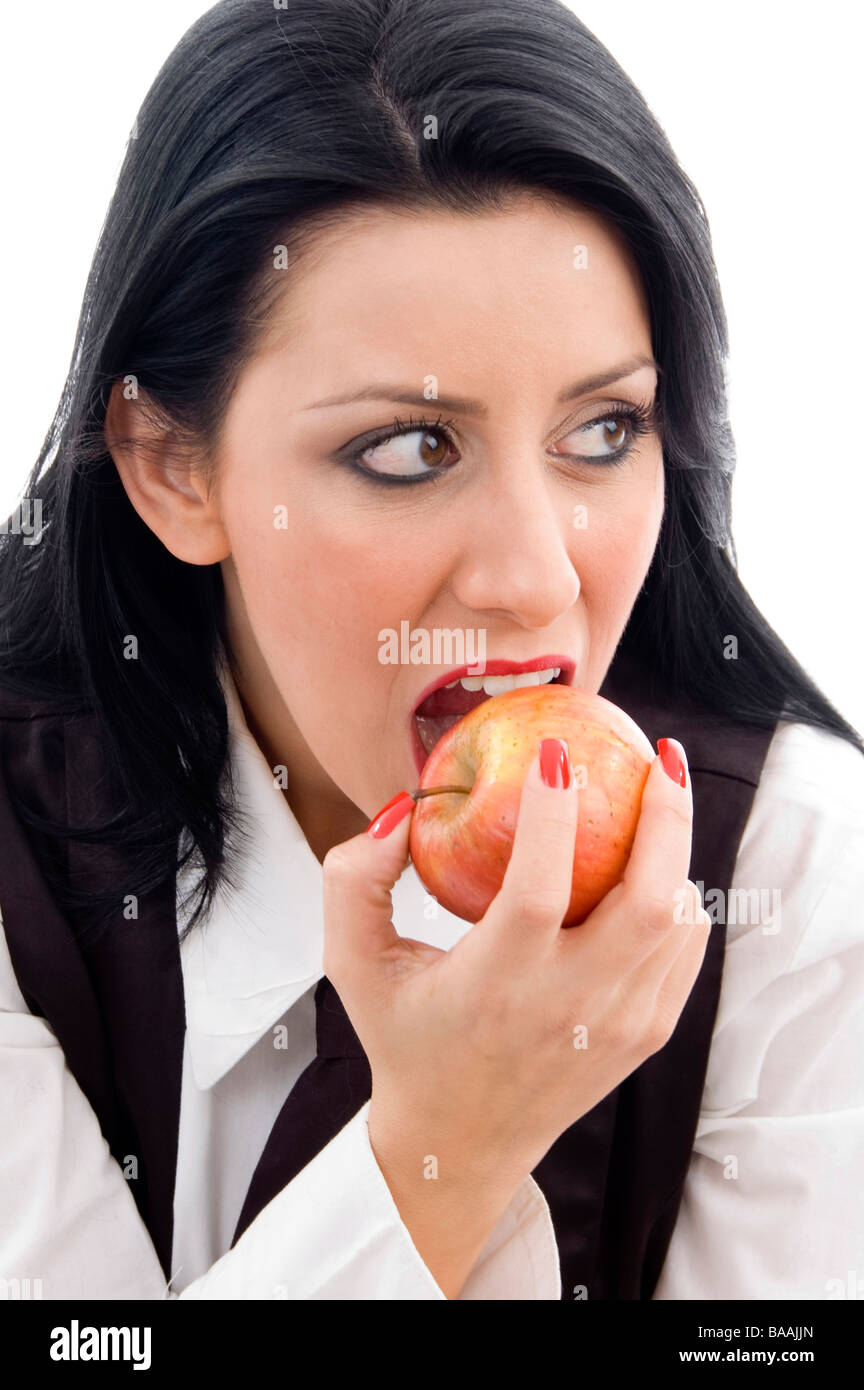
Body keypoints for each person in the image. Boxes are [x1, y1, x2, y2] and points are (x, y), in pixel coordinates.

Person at [0, 0, 861, 1301]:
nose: (538, 576)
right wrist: (442, 1153)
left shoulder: (800, 887)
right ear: (174, 468)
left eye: (604, 431)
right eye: (410, 448)